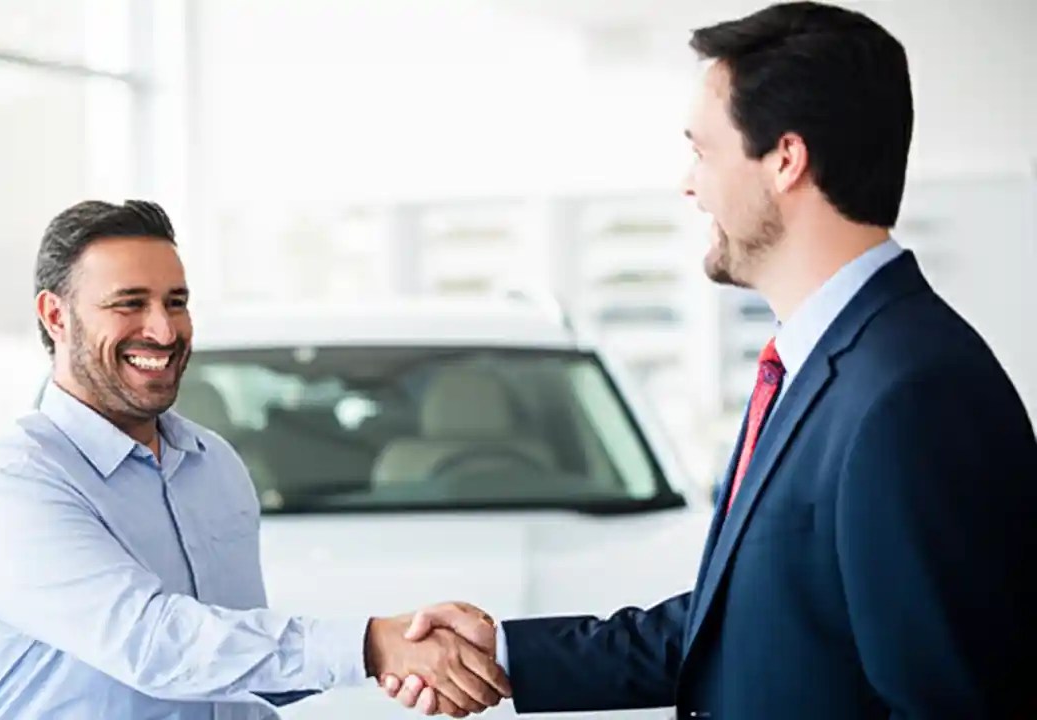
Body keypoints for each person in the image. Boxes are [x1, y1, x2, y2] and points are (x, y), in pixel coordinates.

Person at [384, 2, 1037, 717]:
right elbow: (752, 624)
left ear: (785, 160)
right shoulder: (827, 365)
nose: (688, 185)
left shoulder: (912, 394)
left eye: (702, 150)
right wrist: (505, 652)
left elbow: (950, 702)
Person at [0, 199, 510, 719]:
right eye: (130, 303)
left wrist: (399, 650)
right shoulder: (19, 484)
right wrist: (370, 645)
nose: (164, 330)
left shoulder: (209, 462)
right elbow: (154, 645)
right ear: (55, 316)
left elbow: (235, 663)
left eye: (176, 302)